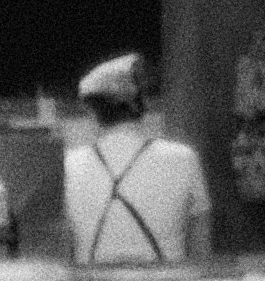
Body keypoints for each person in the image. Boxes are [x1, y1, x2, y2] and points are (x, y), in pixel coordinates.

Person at [58, 51, 212, 268]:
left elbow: (66, 255)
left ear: (93, 110)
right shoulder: (184, 158)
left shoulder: (70, 164)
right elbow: (201, 252)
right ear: (141, 104)